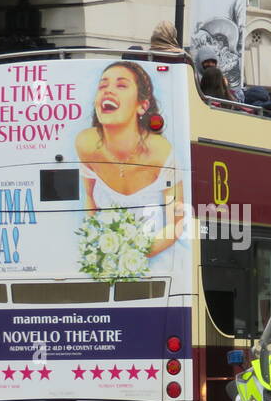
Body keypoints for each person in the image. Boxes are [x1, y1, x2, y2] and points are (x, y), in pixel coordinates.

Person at [75, 61, 187, 277]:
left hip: (161, 268)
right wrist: (99, 247)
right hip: (105, 267)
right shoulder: (85, 143)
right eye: (103, 85)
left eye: (121, 85)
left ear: (142, 106)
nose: (108, 90)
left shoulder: (161, 153)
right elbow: (89, 201)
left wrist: (131, 254)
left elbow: (177, 223)